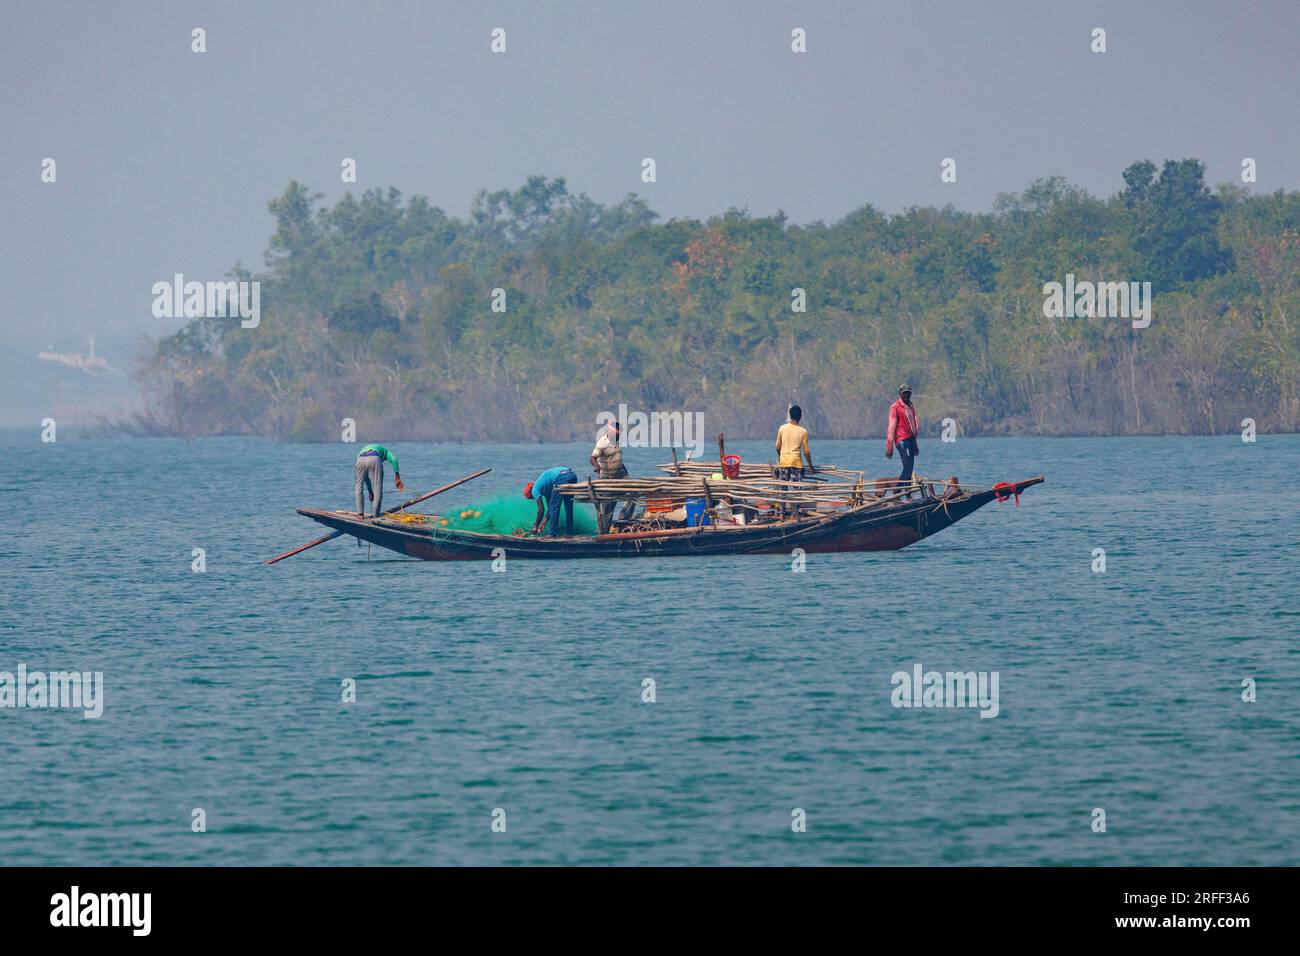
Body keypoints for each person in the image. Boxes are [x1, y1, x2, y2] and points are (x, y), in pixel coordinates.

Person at [590, 421, 636, 532]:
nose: (618, 437)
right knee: (608, 506)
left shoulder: (616, 440)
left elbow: (619, 460)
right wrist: (596, 466)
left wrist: (627, 475)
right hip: (607, 477)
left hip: (620, 475)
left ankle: (623, 517)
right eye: (616, 435)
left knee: (634, 491)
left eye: (619, 435)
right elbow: (592, 458)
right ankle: (605, 533)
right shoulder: (602, 443)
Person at [774, 405, 814, 515]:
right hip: (796, 463)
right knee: (797, 490)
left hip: (784, 462)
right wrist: (810, 465)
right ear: (800, 416)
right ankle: (794, 514)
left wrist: (780, 457)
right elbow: (806, 451)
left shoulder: (782, 428)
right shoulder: (803, 431)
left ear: (790, 415)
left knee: (782, 489)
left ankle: (781, 514)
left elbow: (777, 446)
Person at [525, 466, 578, 537]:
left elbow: (541, 510)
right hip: (572, 475)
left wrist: (535, 525)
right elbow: (550, 510)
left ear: (531, 493)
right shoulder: (547, 490)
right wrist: (543, 523)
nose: (534, 498)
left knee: (554, 507)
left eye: (532, 497)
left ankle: (552, 534)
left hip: (561, 476)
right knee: (568, 507)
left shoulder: (534, 490)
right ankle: (569, 533)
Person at [355, 443, 405, 517]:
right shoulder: (386, 451)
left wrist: (370, 492)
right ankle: (376, 515)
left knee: (358, 486)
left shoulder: (363, 450)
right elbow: (394, 460)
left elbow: (366, 478)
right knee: (377, 489)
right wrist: (397, 477)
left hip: (360, 459)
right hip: (374, 458)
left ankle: (360, 514)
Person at [885, 384, 920, 486]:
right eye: (904, 393)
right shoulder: (895, 407)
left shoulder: (910, 406)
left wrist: (915, 445)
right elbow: (891, 428)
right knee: (908, 468)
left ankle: (908, 495)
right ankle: (897, 491)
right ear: (900, 394)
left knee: (908, 468)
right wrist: (889, 446)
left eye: (908, 393)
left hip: (910, 440)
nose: (907, 395)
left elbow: (913, 428)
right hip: (902, 441)